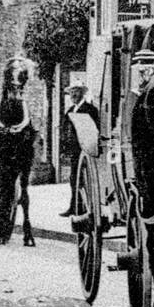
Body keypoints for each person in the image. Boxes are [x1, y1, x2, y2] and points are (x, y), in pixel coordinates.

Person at [59, 83, 99, 218]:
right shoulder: (70, 110)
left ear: (82, 93)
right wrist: (64, 147)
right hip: (74, 150)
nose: (73, 95)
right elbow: (65, 130)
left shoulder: (90, 109)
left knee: (83, 179)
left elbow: (94, 129)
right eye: (71, 92)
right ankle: (74, 206)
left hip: (85, 149)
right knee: (73, 179)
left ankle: (81, 207)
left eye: (76, 92)